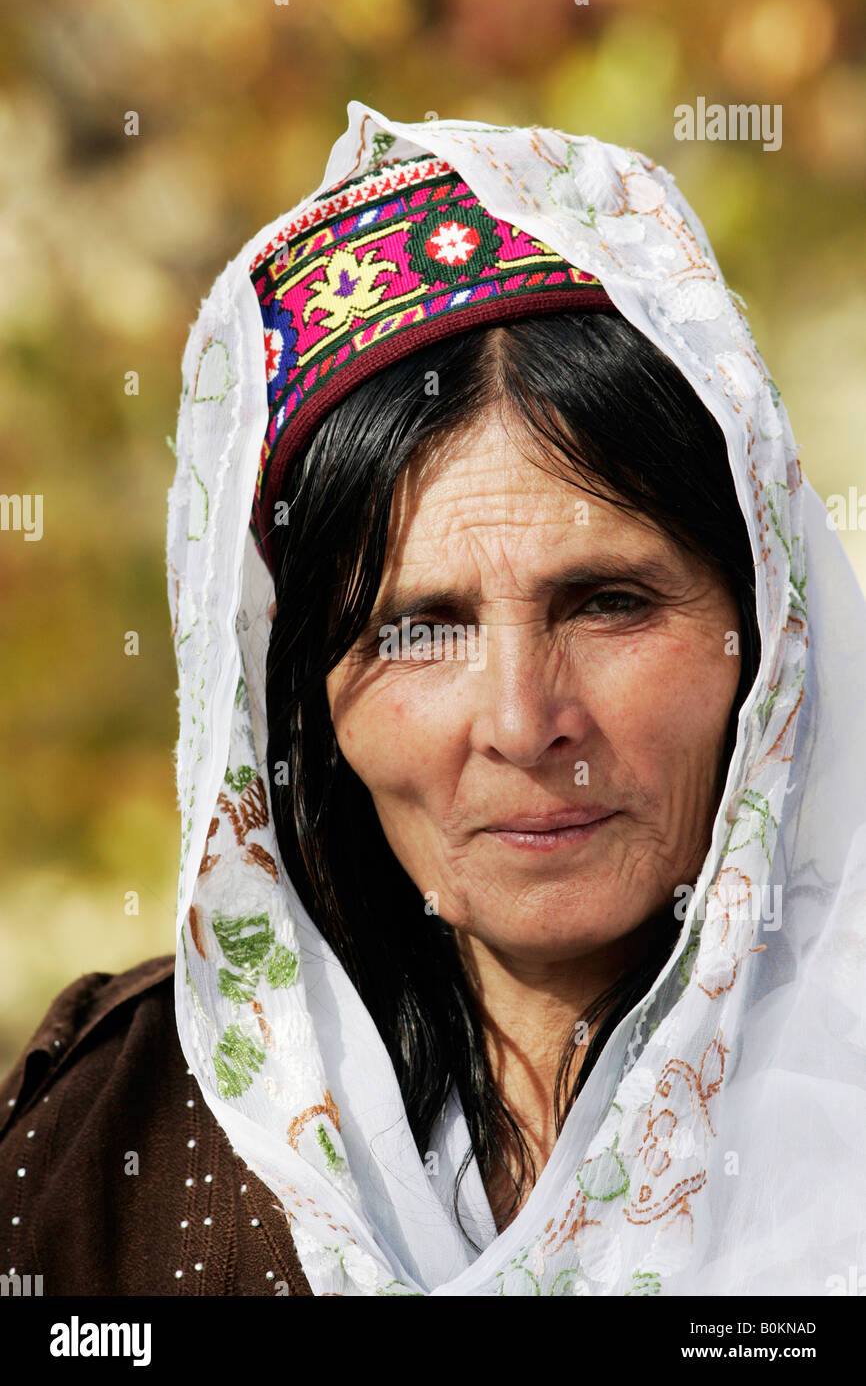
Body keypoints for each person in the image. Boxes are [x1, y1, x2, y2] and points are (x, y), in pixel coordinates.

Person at [2, 105, 865, 1298]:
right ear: (308, 697)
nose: (521, 721)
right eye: (419, 629)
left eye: (607, 603)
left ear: (762, 632)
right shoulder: (116, 1145)